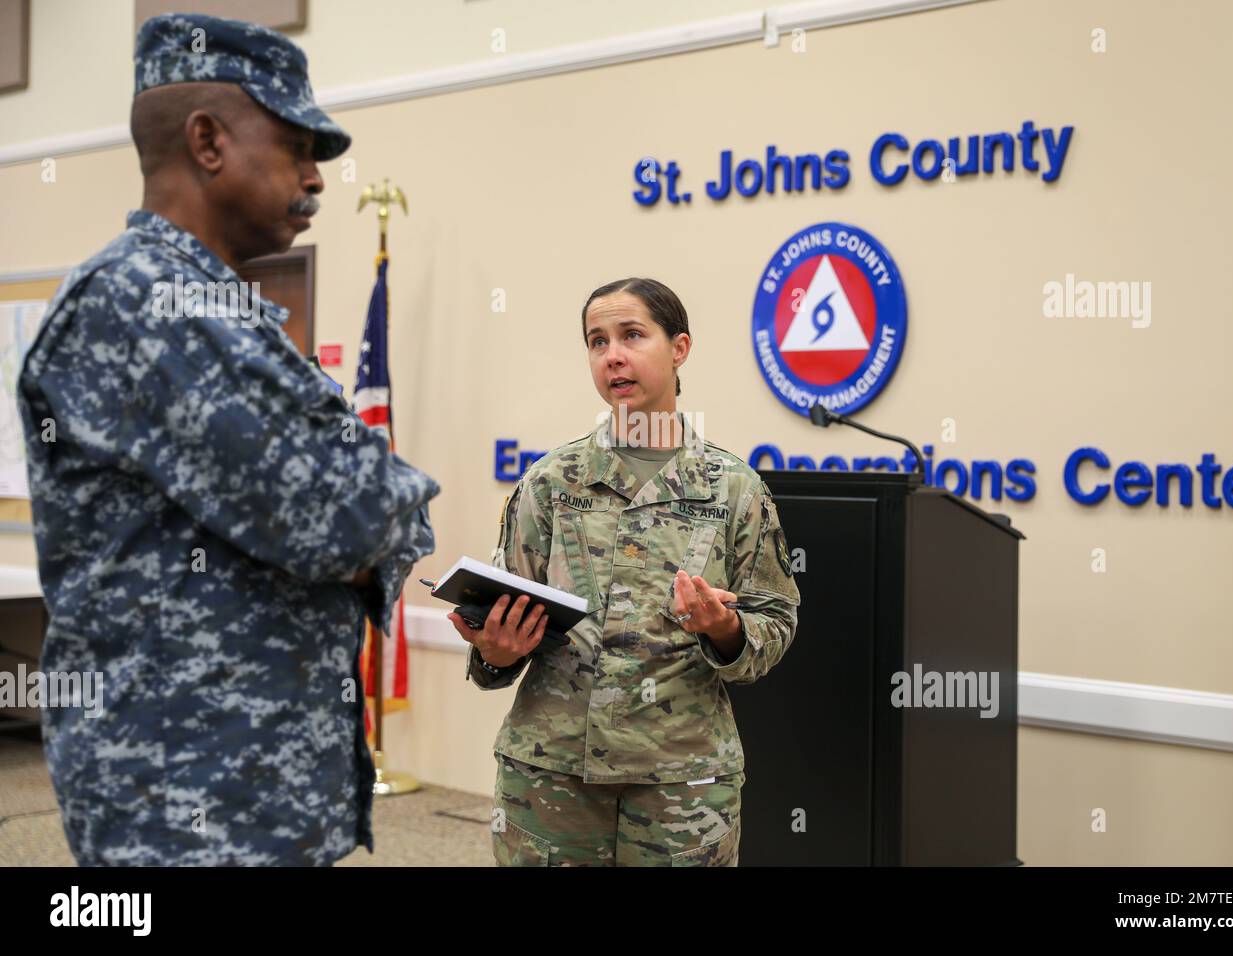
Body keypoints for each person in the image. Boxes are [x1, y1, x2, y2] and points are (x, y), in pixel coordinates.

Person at [17, 13, 439, 866]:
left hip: (250, 795)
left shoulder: (220, 312)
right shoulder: (143, 304)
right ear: (208, 141)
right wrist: (370, 516)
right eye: (294, 144)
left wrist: (362, 515)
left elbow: (342, 512)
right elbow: (347, 515)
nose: (316, 176)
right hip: (185, 809)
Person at [450, 277, 801, 866]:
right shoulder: (551, 482)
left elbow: (776, 621)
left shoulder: (735, 488)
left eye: (632, 335)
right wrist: (495, 652)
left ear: (680, 347)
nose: (612, 354)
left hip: (682, 781)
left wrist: (724, 629)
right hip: (551, 775)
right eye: (597, 341)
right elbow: (495, 624)